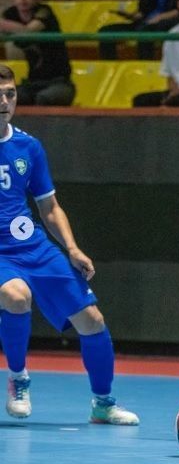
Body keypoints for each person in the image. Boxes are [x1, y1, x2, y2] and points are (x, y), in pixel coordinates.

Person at [0, 64, 139, 426]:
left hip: (33, 246)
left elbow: (49, 207)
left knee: (92, 320)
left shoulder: (28, 146)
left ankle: (103, 404)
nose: (4, 101)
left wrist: (73, 248)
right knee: (16, 296)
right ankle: (17, 377)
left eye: (10, 94)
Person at [0, 0, 74, 106]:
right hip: (32, 83)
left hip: (59, 83)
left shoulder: (45, 11)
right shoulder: (11, 14)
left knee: (43, 98)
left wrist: (3, 25)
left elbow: (28, 31)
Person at [98, 0, 179, 60]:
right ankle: (110, 68)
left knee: (145, 33)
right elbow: (142, 12)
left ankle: (144, 68)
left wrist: (158, 18)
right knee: (105, 32)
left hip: (165, 24)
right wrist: (131, 16)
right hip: (144, 23)